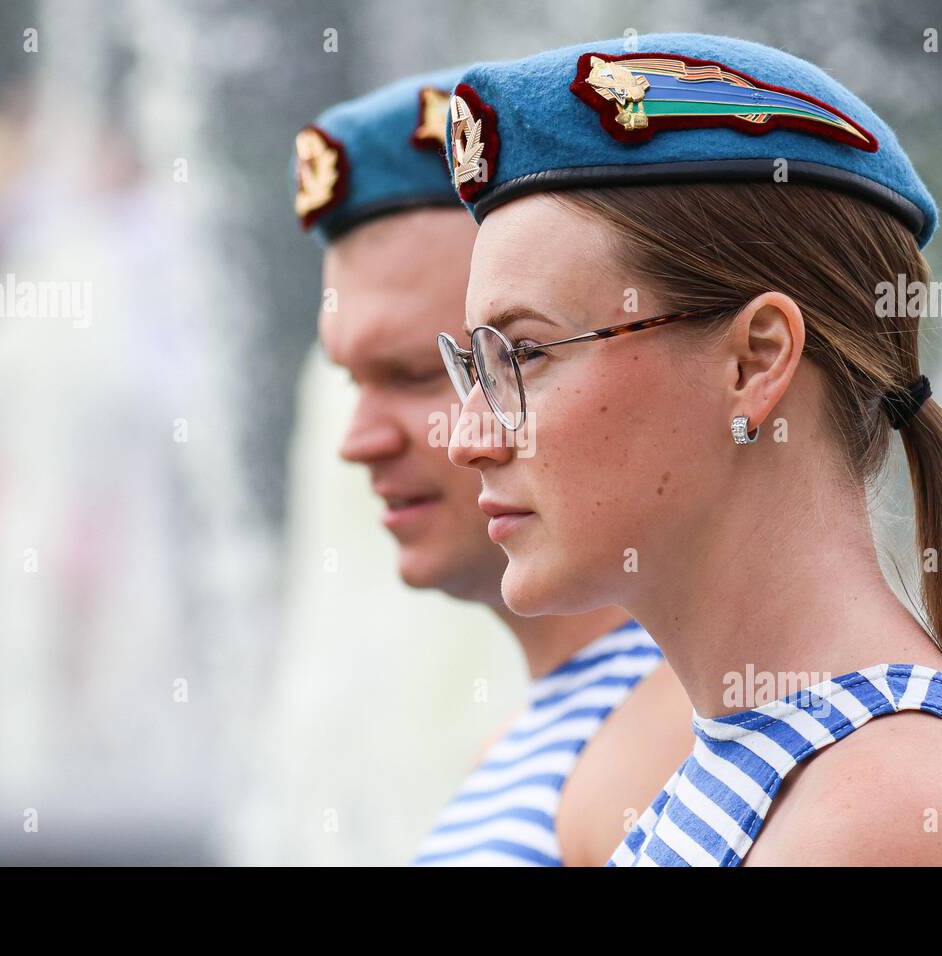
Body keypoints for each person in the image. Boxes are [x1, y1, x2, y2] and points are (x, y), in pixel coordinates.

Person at [438, 34, 942, 866]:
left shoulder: (885, 810)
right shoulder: (769, 759)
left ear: (756, 360)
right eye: (472, 367)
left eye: (525, 355)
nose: (468, 438)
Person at [294, 69, 693, 866]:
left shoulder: (689, 735)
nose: (356, 440)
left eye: (415, 372)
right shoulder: (549, 737)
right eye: (350, 382)